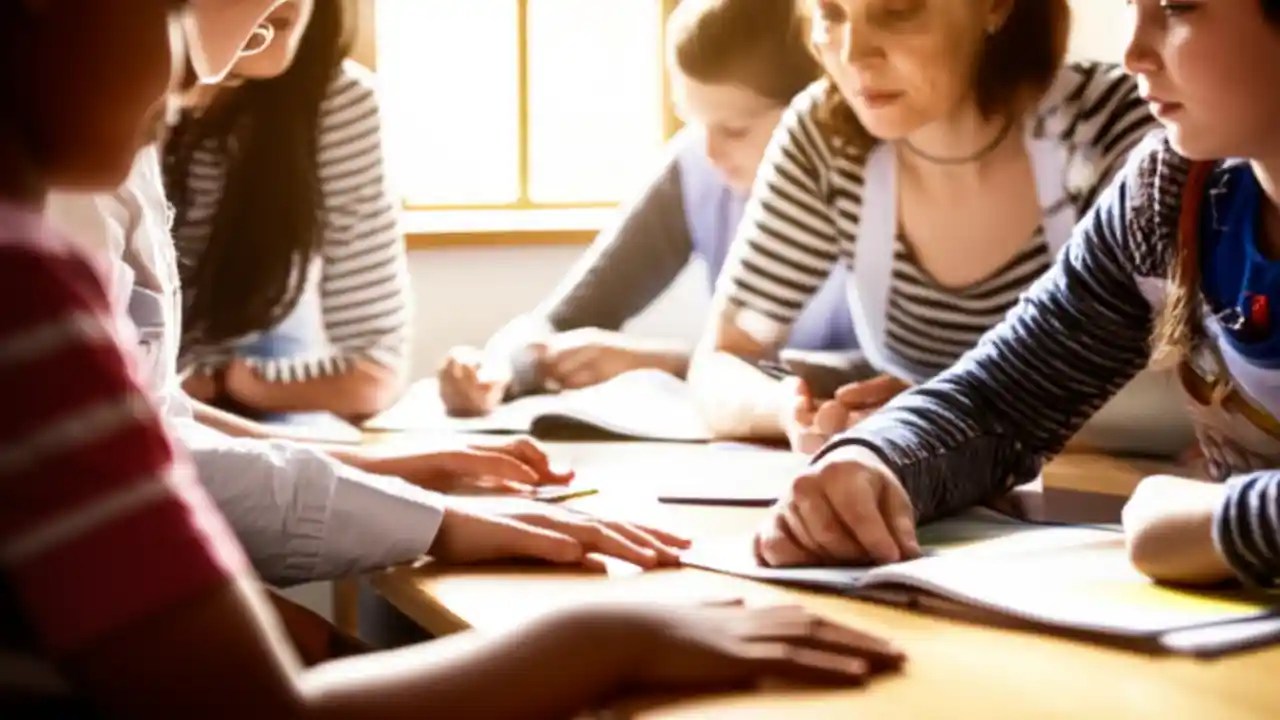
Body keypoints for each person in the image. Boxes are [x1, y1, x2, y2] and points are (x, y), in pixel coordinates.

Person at [1, 2, 907, 716]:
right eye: (166, 13)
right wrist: (603, 637)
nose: (186, 69)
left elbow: (145, 433)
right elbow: (257, 709)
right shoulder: (26, 290)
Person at [46, 0, 685, 593]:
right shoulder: (74, 163)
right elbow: (131, 450)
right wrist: (434, 519)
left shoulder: (142, 118)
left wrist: (388, 473)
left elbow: (154, 417)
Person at [754, 0, 1280, 589]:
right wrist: (871, 460)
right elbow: (1000, 404)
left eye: (1177, 7)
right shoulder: (1169, 192)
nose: (1133, 53)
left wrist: (1227, 523)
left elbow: (1207, 525)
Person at [688, 0, 1159, 450]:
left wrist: (935, 419)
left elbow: (1176, 392)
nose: (854, 55)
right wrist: (788, 410)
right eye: (830, 14)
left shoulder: (1111, 127)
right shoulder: (827, 140)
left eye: (896, 12)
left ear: (994, 6)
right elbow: (723, 359)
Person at [438, 0, 857, 417]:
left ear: (814, 109)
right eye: (692, 122)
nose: (709, 152)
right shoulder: (695, 170)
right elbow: (568, 313)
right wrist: (497, 369)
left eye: (735, 130)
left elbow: (894, 374)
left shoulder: (870, 183)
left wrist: (668, 364)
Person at [164, 0, 407, 422]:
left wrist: (225, 381)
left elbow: (373, 369)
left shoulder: (336, 102)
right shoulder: (121, 97)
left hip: (253, 405)